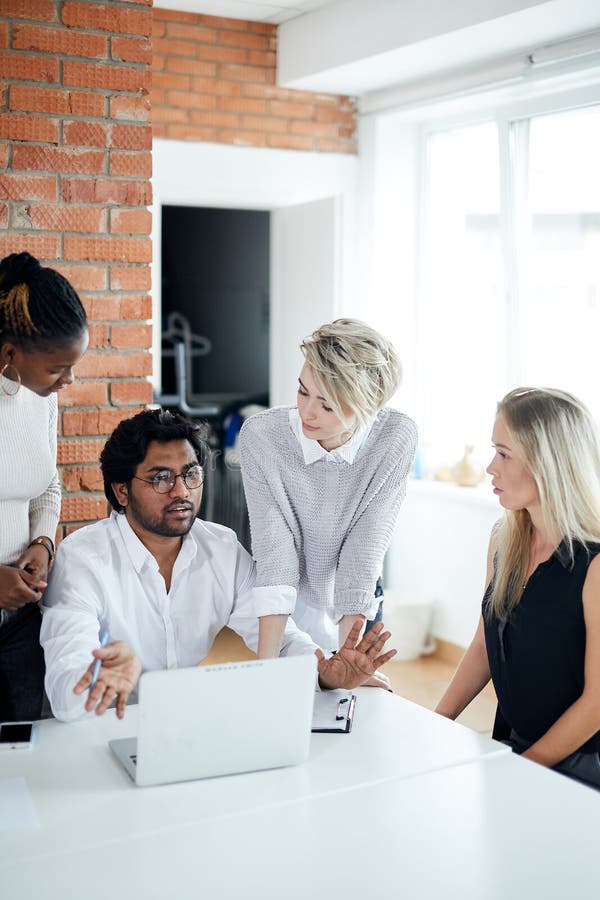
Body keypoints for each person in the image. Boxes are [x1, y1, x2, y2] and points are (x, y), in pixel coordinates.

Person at [40, 409, 397, 722]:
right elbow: (63, 695)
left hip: (181, 728)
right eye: (161, 478)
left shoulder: (220, 548)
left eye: (190, 474)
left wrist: (324, 673)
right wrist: (98, 676)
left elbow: (279, 638)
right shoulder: (82, 560)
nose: (181, 491)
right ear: (121, 491)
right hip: (102, 730)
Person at [435, 388, 600, 789]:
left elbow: (597, 701)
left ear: (549, 462)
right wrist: (435, 723)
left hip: (579, 767)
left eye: (504, 454)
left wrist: (526, 768)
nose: (490, 467)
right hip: (514, 747)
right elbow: (484, 647)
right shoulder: (503, 540)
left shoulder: (594, 565)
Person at [239, 318, 417, 662]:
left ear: (369, 406)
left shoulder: (395, 437)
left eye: (327, 405)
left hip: (356, 595)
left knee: (353, 693)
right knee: (282, 685)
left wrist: (349, 663)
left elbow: (365, 547)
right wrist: (266, 667)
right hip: (287, 600)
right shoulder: (262, 436)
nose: (307, 412)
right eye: (303, 391)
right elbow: (274, 550)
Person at [0, 252, 88, 722]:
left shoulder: (39, 397)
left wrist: (42, 542)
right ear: (10, 354)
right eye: (57, 368)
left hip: (20, 621)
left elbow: (47, 483)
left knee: (24, 751)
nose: (68, 380)